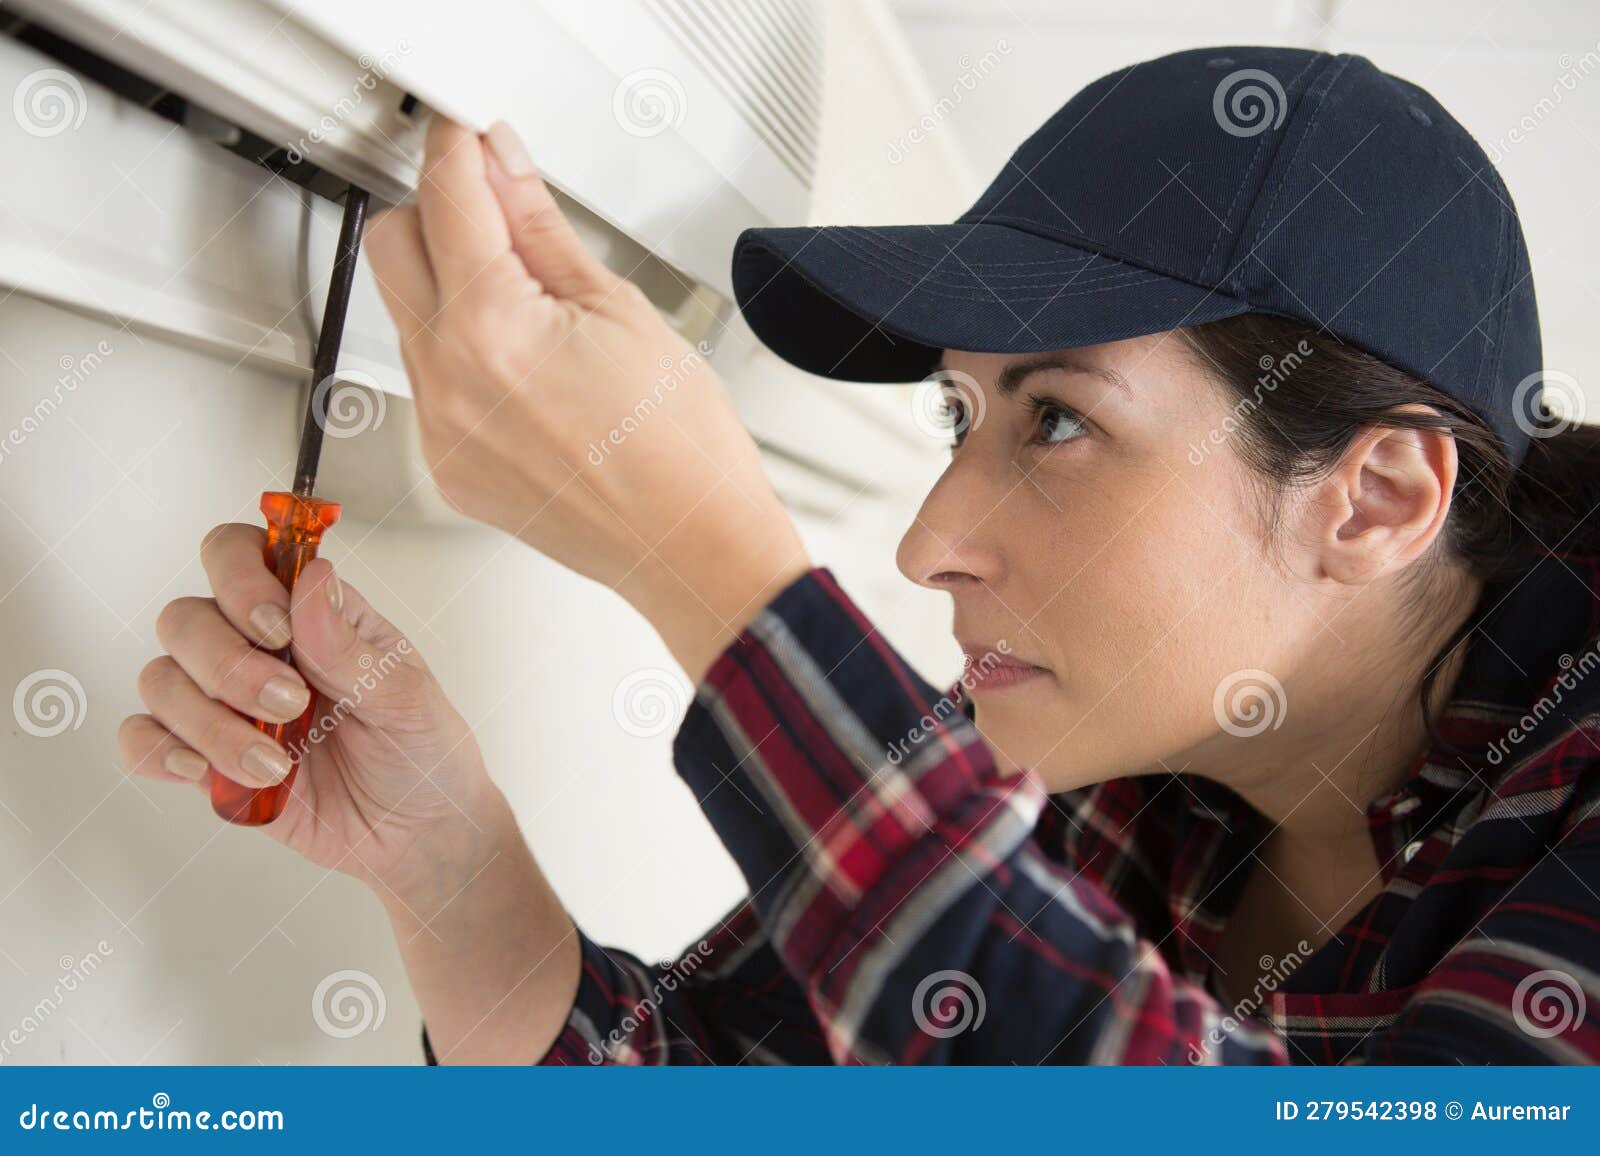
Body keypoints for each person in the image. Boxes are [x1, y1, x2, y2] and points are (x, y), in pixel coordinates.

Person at [119, 46, 1600, 1064]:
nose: (930, 538)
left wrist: (704, 562)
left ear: (1378, 496)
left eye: (1062, 422)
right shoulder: (1097, 754)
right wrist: (445, 861)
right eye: (960, 413)